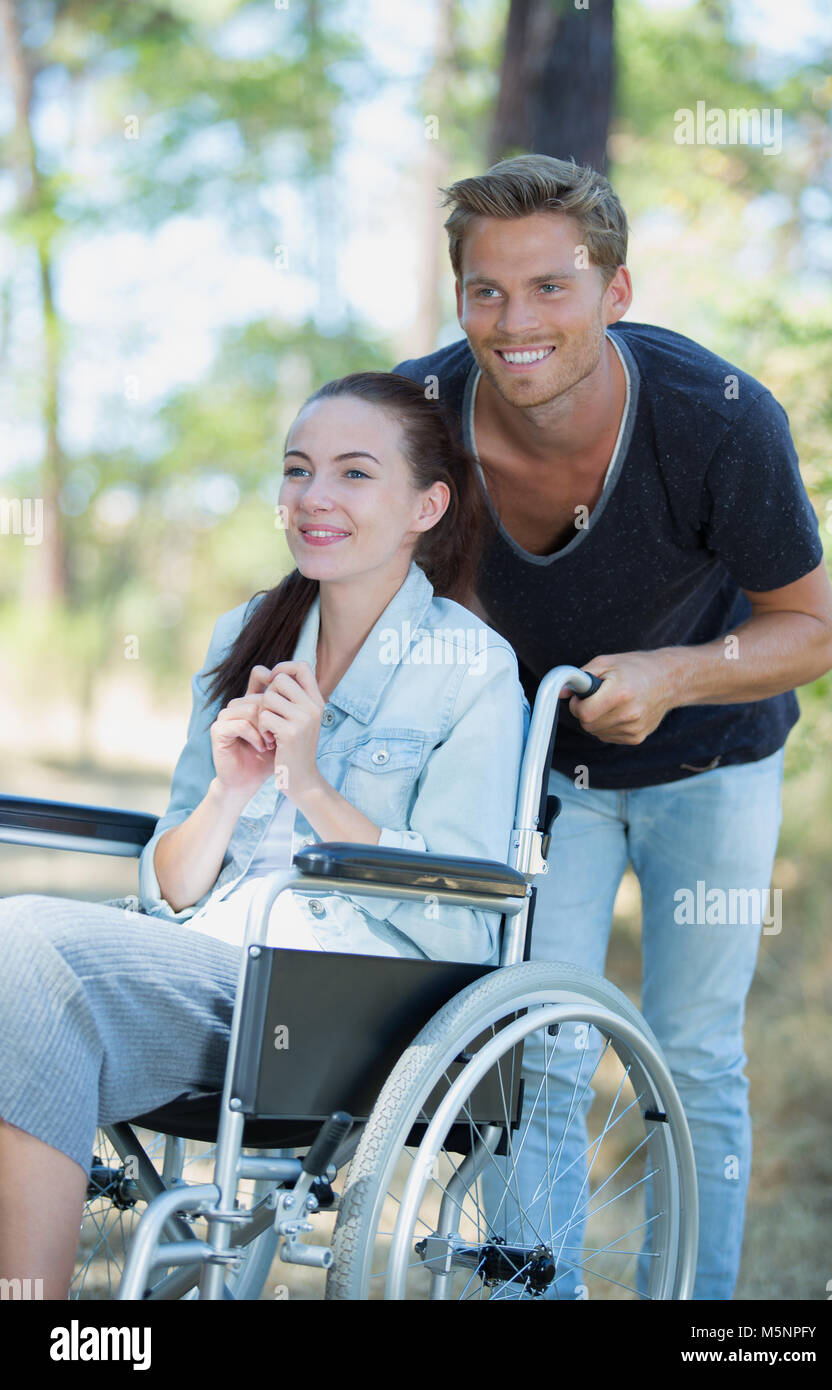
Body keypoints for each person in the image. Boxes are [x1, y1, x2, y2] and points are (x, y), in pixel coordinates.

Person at [392, 154, 832, 1299]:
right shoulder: (419, 417)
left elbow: (808, 631)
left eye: (551, 287)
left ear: (615, 293)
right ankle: (531, 1293)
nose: (514, 320)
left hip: (715, 762)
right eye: (485, 291)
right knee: (535, 1044)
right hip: (542, 775)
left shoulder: (716, 421)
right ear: (458, 300)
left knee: (691, 1057)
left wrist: (676, 675)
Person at [0, 371, 529, 1299]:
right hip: (206, 966)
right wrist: (232, 796)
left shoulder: (471, 667)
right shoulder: (246, 631)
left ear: (426, 505)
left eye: (354, 474)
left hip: (344, 996)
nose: (314, 498)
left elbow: (460, 918)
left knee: (23, 946)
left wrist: (310, 783)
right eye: (297, 470)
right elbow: (169, 886)